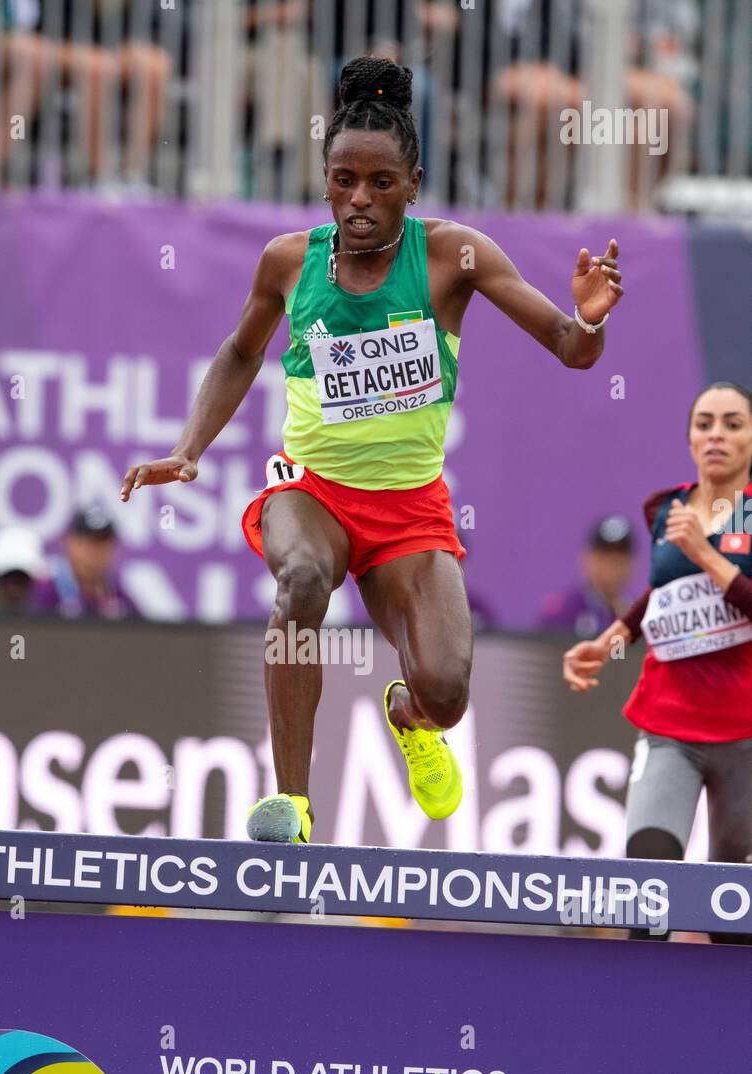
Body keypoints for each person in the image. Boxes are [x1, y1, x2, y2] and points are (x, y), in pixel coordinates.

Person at [121, 54, 623, 844]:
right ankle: (291, 802)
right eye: (343, 179)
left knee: (449, 690)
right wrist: (190, 449)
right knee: (302, 579)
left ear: (413, 184)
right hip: (312, 491)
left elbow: (570, 347)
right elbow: (240, 353)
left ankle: (411, 717)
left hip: (410, 510)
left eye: (380, 184)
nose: (359, 200)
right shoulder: (290, 262)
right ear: (324, 179)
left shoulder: (456, 256)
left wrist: (590, 319)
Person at [562, 382, 752, 943]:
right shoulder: (666, 508)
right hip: (670, 725)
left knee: (734, 918)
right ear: (691, 438)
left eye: (733, 423)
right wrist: (611, 642)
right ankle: (643, 1027)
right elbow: (660, 595)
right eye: (704, 423)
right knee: (647, 893)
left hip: (745, 732)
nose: (716, 433)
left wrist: (706, 554)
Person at [540, 514, 637, 637]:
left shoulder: (640, 616)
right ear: (586, 558)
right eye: (605, 554)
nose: (612, 563)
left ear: (633, 563)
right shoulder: (564, 613)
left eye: (620, 555)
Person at [36, 506, 137, 619]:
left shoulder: (119, 599)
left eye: (102, 542)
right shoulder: (45, 593)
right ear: (68, 543)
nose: (94, 551)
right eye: (87, 542)